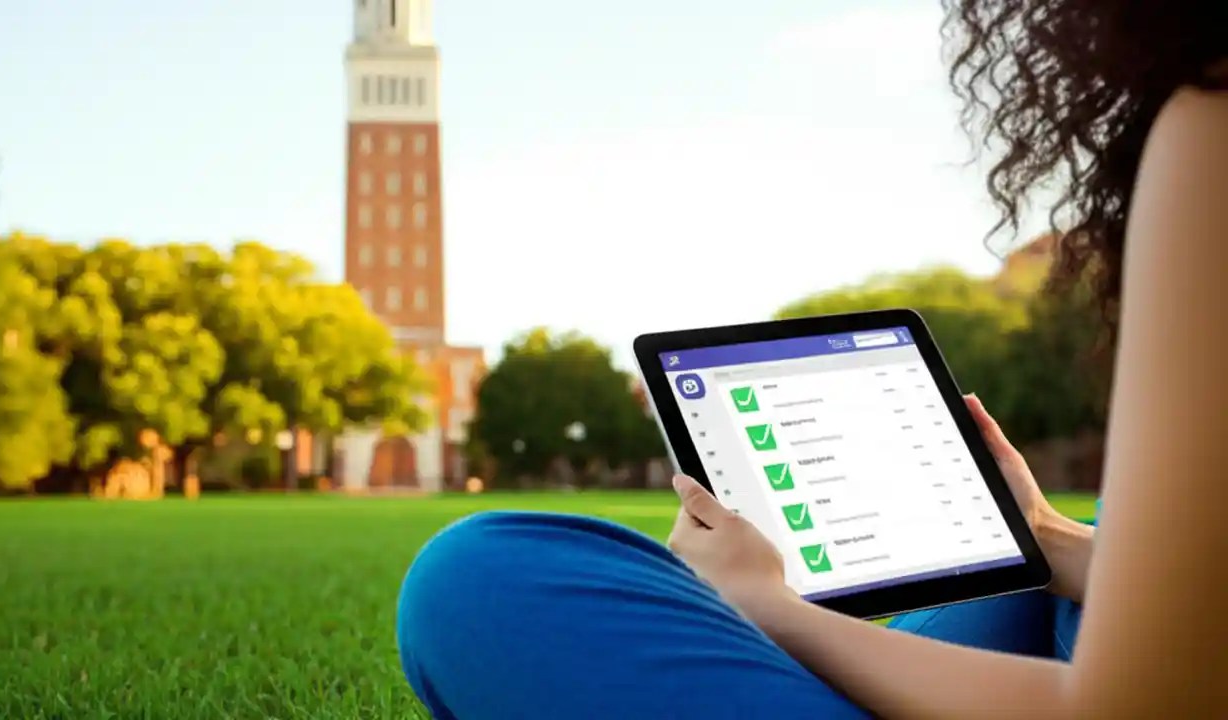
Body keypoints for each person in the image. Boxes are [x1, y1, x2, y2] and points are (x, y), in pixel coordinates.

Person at [396, 1, 1228, 716]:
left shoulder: (1209, 120)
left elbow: (1141, 708)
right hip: (1127, 641)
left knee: (473, 580)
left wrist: (771, 606)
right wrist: (1046, 540)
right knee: (1012, 570)